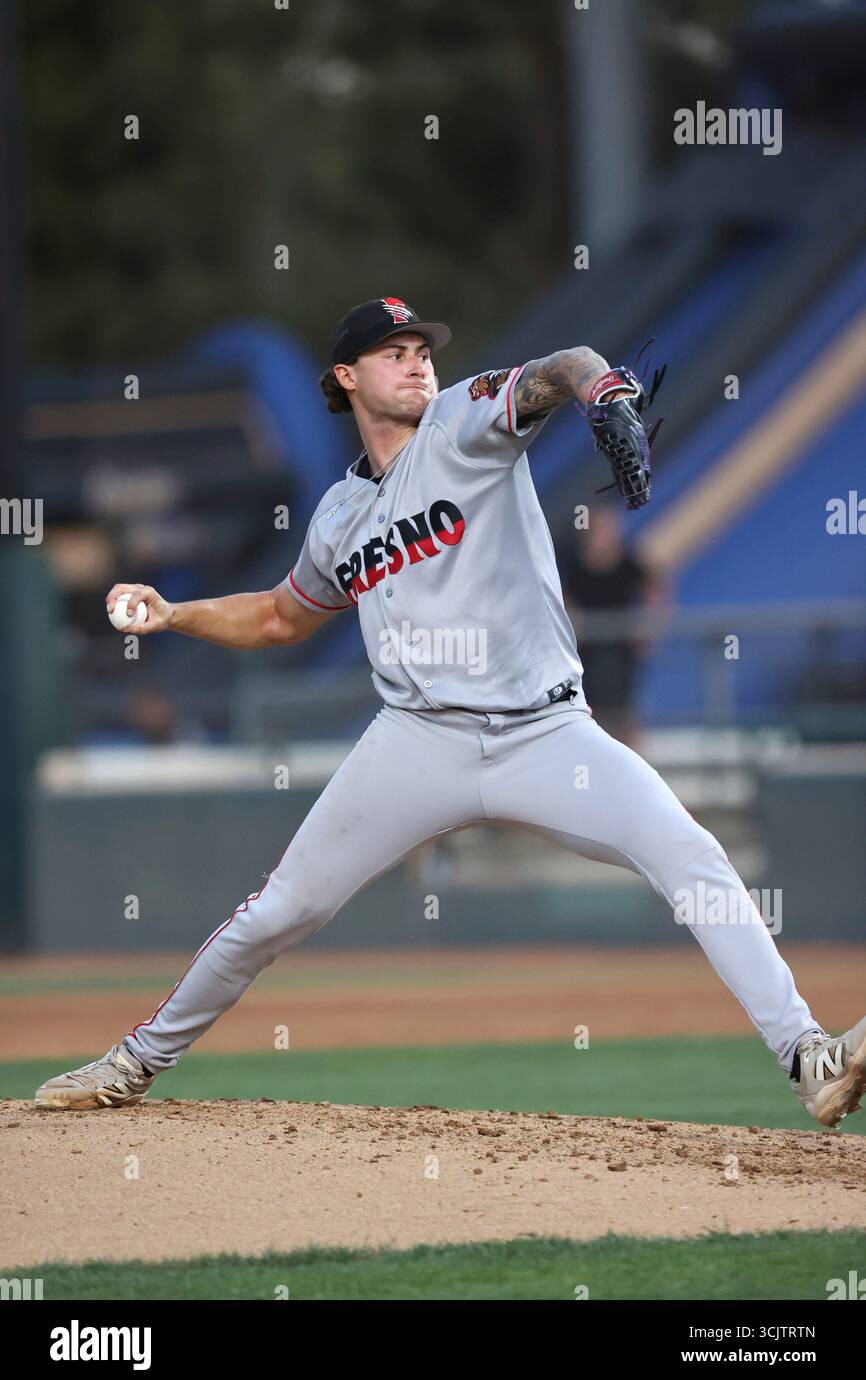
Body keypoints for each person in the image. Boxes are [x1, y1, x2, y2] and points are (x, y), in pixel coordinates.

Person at [35, 296, 865, 1129]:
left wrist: (600, 389)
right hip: (417, 740)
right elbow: (281, 617)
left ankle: (808, 1057)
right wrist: (175, 613)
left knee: (692, 855)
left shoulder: (467, 421)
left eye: (420, 347)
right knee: (283, 909)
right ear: (346, 378)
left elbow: (563, 363)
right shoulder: (336, 515)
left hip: (548, 733)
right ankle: (136, 1061)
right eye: (393, 351)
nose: (417, 360)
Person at [561, 506, 665, 749]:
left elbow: (657, 587)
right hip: (587, 656)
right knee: (589, 716)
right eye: (598, 530)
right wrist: (571, 629)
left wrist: (649, 628)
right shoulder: (575, 566)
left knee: (625, 716)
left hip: (621, 655)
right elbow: (561, 597)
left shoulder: (629, 563)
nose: (603, 536)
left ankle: (632, 768)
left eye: (608, 530)